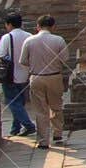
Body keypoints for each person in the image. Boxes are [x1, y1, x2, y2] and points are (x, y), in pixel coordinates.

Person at [18, 14, 69, 149]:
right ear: (53, 26)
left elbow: (23, 61)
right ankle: (57, 133)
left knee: (41, 110)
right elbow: (65, 60)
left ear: (37, 26)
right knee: (56, 106)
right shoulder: (59, 40)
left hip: (36, 77)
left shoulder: (29, 41)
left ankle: (43, 140)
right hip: (54, 76)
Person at [0, 12, 36, 138]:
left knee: (13, 101)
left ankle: (29, 125)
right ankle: (15, 128)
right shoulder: (29, 36)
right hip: (26, 73)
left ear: (9, 24)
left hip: (11, 74)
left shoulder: (7, 37)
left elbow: (0, 55)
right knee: (20, 101)